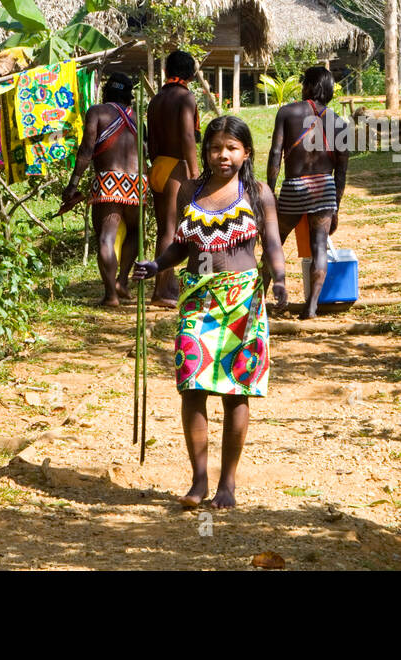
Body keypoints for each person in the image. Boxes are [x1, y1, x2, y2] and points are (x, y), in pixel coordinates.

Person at [135, 115, 287, 509]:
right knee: (193, 387)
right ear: (205, 151)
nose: (223, 155)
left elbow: (272, 244)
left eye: (232, 148)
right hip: (197, 300)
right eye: (216, 148)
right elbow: (179, 246)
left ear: (246, 153)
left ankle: (228, 484)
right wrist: (157, 266)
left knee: (236, 393)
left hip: (242, 301)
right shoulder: (189, 189)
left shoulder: (257, 192)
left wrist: (282, 281)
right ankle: (199, 480)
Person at [267, 65, 349, 319]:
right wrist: (335, 206)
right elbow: (341, 173)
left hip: (295, 186)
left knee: (274, 242)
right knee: (320, 247)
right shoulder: (340, 123)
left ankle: (255, 300)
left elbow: (275, 155)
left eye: (304, 82)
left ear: (310, 86)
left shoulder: (287, 112)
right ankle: (311, 307)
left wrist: (269, 192)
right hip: (324, 188)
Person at [60, 71, 141, 307]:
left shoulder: (97, 111)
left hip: (108, 181)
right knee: (135, 232)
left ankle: (111, 296)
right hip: (137, 182)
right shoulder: (137, 117)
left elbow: (86, 150)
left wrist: (73, 184)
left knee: (106, 237)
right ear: (129, 96)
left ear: (106, 92)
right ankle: (122, 281)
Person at [144, 50, 201, 308]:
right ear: (191, 74)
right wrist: (194, 170)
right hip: (176, 167)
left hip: (157, 166)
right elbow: (189, 137)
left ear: (167, 72)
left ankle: (165, 287)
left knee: (164, 229)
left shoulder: (155, 100)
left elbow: (151, 141)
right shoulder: (186, 98)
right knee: (171, 230)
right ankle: (161, 291)